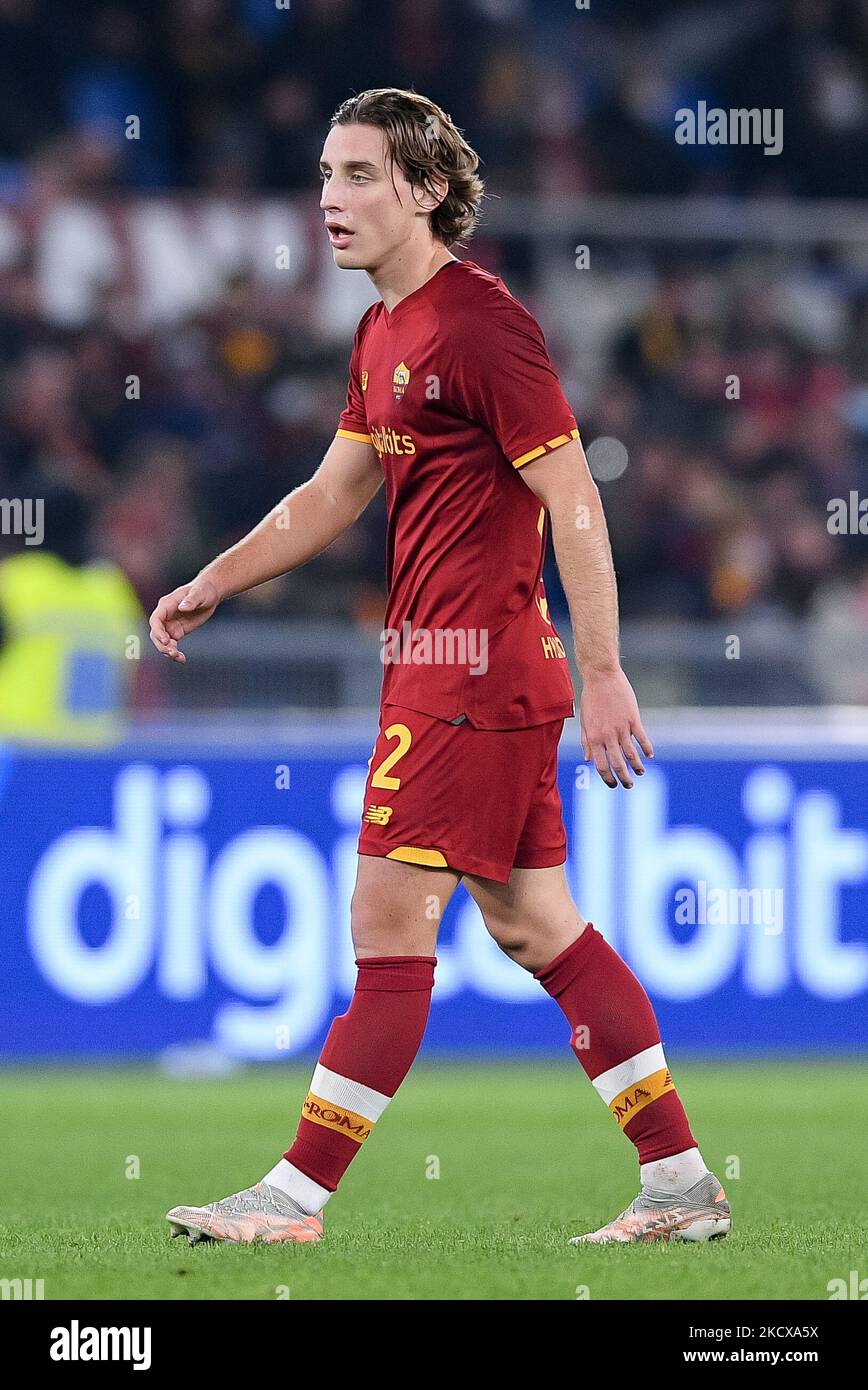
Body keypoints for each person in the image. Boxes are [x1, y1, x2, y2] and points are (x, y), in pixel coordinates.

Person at [151, 88, 731, 1248]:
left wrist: (607, 670)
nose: (329, 199)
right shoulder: (383, 332)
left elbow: (573, 496)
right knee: (534, 924)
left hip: (471, 676)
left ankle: (296, 1196)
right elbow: (331, 493)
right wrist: (216, 576)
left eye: (360, 175)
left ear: (425, 190)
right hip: (451, 668)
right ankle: (678, 1186)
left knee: (385, 918)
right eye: (323, 174)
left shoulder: (479, 325)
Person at [0, 484, 143, 746]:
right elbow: (131, 666)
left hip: (18, 750)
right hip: (92, 753)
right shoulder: (112, 590)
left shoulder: (13, 583)